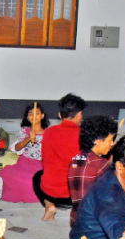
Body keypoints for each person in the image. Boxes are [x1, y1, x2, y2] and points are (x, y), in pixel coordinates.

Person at [34, 93, 86, 221]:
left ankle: (49, 204)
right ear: (79, 114)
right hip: (73, 197)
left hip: (49, 192)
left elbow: (45, 161)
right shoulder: (83, 135)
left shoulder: (48, 132)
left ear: (59, 114)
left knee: (37, 176)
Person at [68, 115, 118, 225]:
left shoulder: (75, 159)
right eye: (111, 140)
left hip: (75, 220)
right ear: (98, 142)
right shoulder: (101, 165)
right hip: (93, 224)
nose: (112, 144)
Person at [0, 103, 49, 203]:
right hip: (24, 164)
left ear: (42, 116)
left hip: (40, 166)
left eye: (37, 113)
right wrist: (28, 138)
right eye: (31, 114)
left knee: (33, 183)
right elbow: (16, 149)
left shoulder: (49, 133)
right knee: (4, 175)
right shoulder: (24, 131)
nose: (34, 116)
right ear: (27, 116)